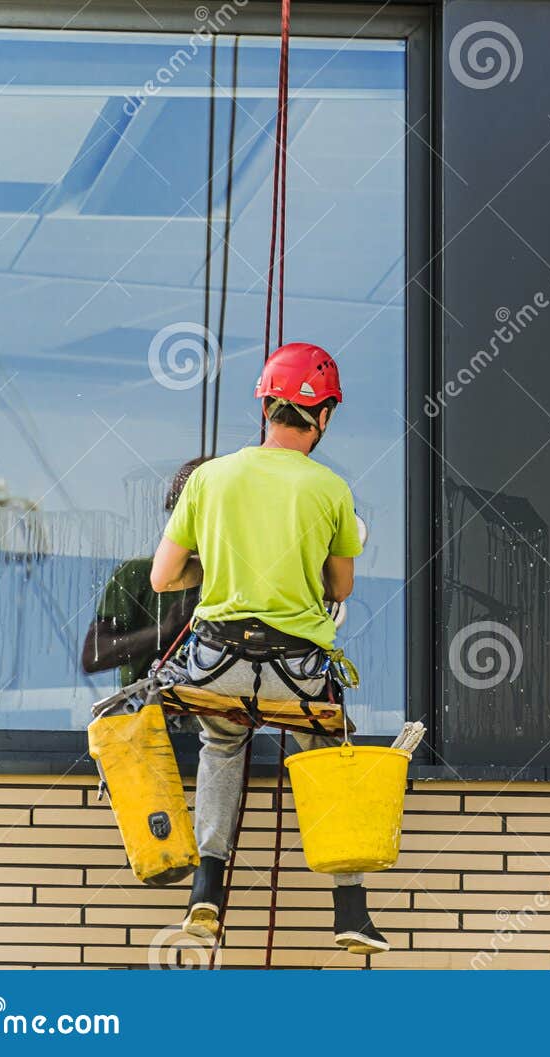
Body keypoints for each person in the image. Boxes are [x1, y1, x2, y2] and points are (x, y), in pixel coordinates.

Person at [148, 341, 386, 955]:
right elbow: (340, 587)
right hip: (294, 669)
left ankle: (207, 893)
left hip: (216, 661)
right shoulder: (330, 488)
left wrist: (224, 566)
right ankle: (350, 913)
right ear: (323, 415)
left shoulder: (209, 477)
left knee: (221, 745)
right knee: (330, 758)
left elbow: (163, 578)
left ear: (266, 406)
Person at [81, 458, 205, 688]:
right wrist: (165, 630)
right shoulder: (138, 574)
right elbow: (95, 655)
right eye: (181, 510)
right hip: (151, 716)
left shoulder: (243, 577)